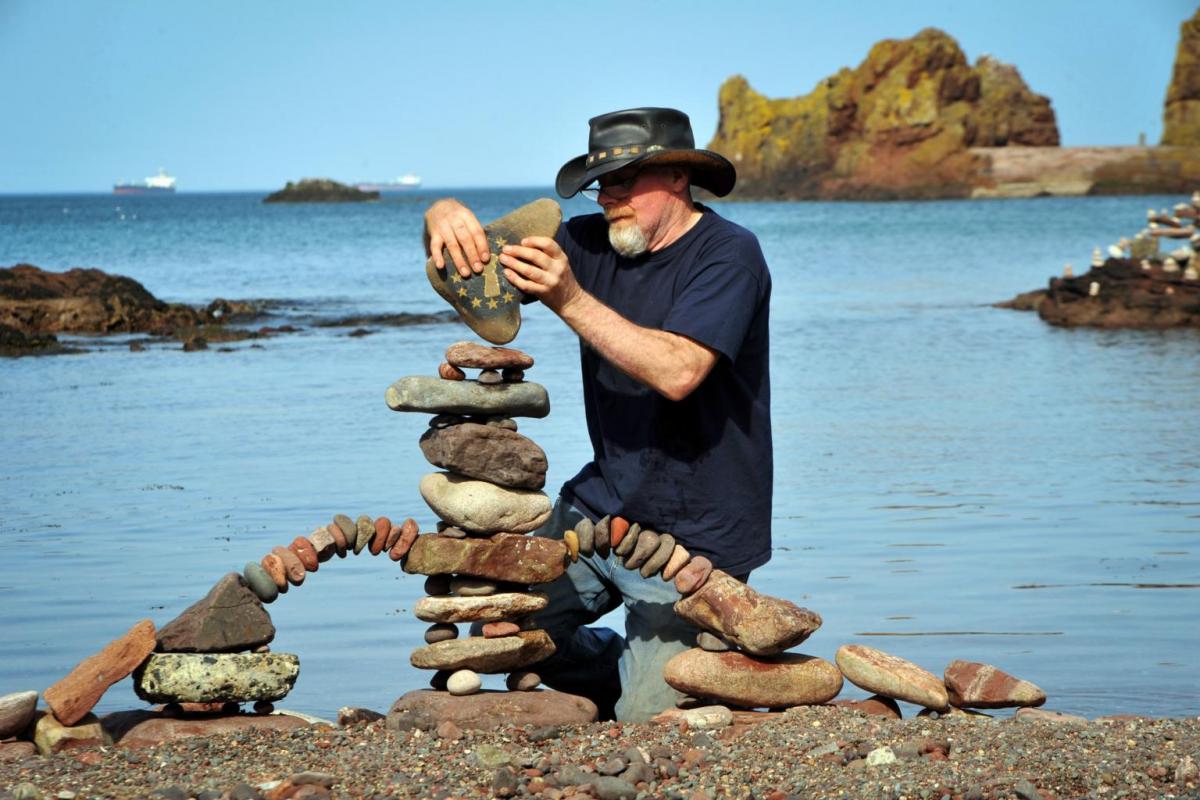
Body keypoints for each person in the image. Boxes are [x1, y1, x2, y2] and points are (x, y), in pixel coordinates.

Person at [423, 107, 772, 722]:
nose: (607, 197)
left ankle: (691, 672)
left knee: (650, 725)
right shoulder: (586, 241)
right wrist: (442, 215)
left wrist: (569, 297)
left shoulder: (729, 255)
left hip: (698, 537)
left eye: (624, 181)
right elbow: (469, 267)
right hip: (598, 508)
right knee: (502, 628)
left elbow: (678, 371)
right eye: (600, 184)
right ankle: (617, 668)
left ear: (676, 178)